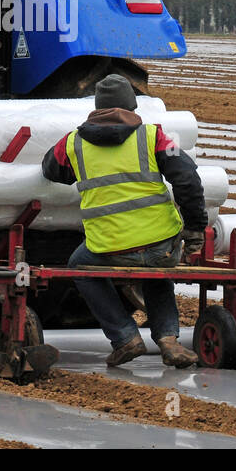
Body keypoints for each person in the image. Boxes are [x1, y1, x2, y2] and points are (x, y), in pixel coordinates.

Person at [41, 74, 208, 368]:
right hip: (162, 243)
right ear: (132, 106)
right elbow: (188, 179)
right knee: (158, 271)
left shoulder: (73, 142)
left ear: (97, 107)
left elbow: (50, 169)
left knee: (78, 267)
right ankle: (169, 341)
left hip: (108, 247)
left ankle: (125, 337)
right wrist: (195, 227)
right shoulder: (154, 136)